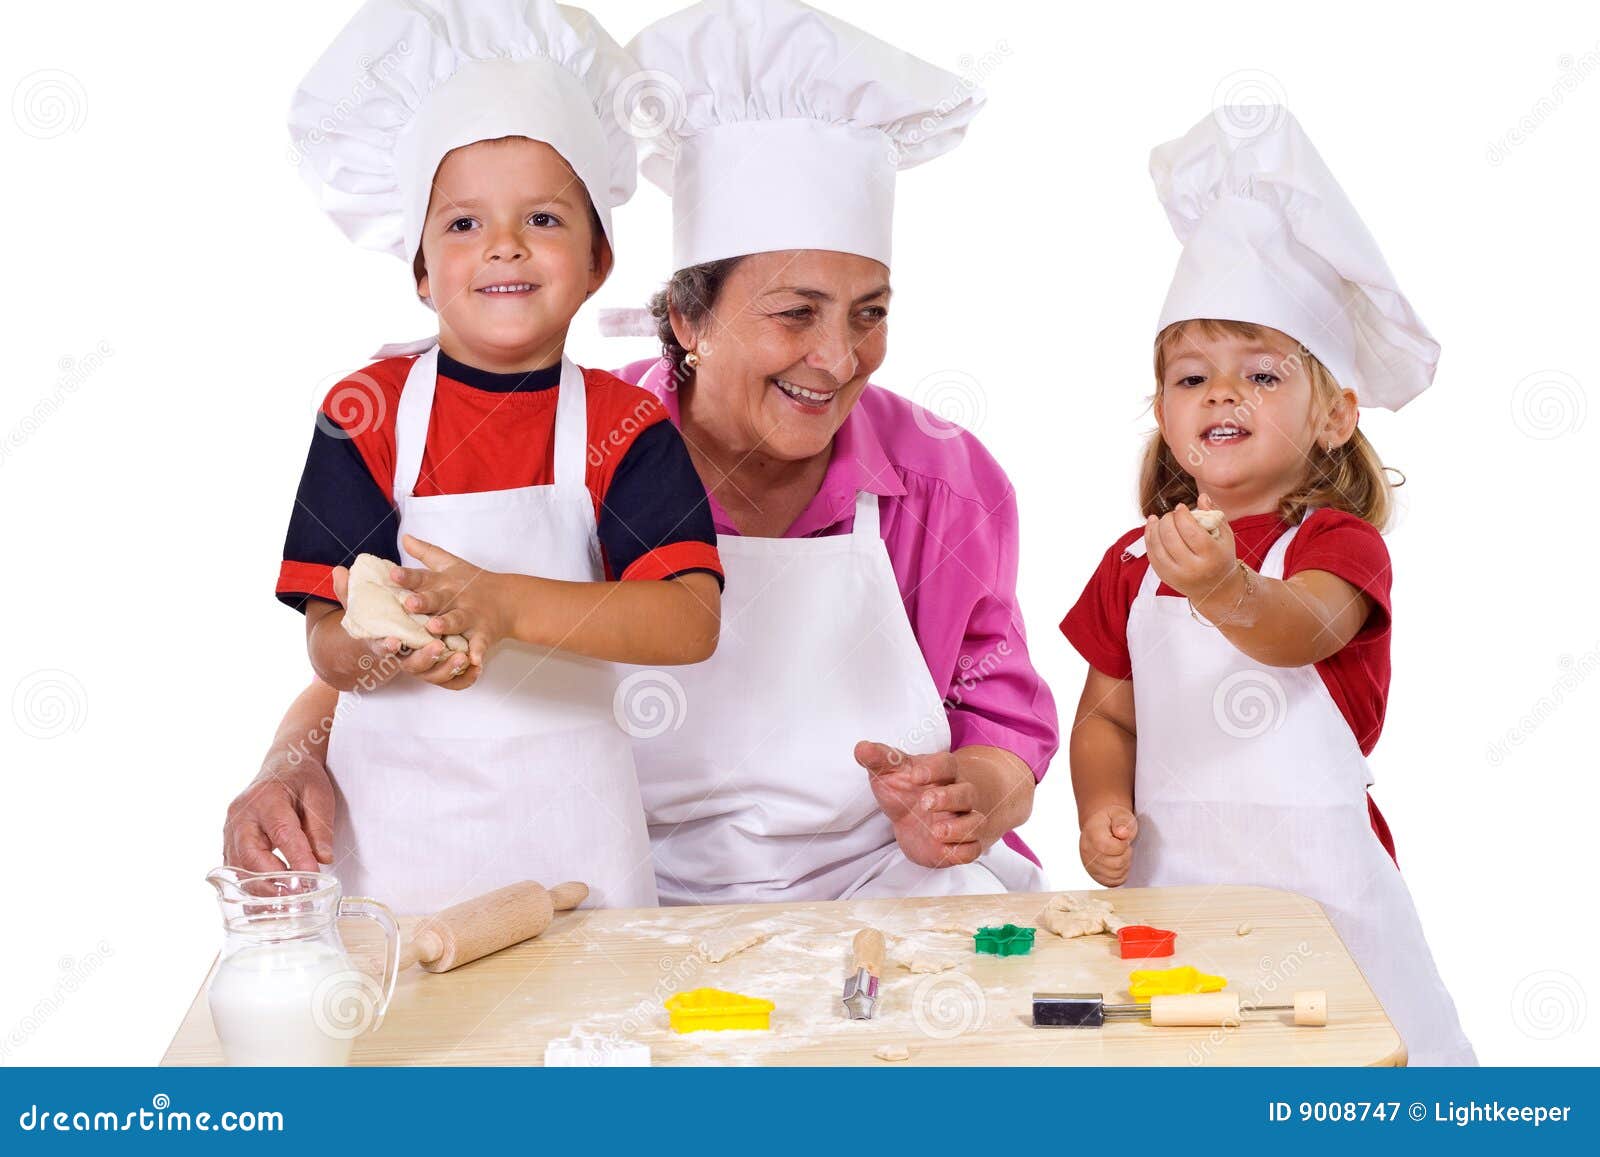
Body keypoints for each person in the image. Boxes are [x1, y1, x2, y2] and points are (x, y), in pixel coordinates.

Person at [228, 0, 1059, 905]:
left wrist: (971, 796)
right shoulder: (576, 436)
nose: (837, 358)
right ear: (686, 318)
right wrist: (289, 760)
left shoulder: (945, 482)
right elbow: (373, 648)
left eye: (871, 313)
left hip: (879, 887)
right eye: (795, 313)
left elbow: (1002, 722)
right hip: (613, 898)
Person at [277, 0, 723, 913]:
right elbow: (326, 639)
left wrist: (506, 603)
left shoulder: (626, 423)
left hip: (577, 851)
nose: (505, 245)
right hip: (400, 858)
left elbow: (690, 621)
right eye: (463, 224)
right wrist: (386, 647)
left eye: (546, 219)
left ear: (599, 259)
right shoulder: (363, 415)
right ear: (420, 268)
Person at [1060, 106, 1475, 1064]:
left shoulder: (1335, 543)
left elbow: (1299, 630)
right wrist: (1097, 806)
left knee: (1360, 1082)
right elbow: (1106, 718)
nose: (1222, 395)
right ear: (1163, 413)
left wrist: (1225, 588)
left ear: (1334, 415)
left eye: (1260, 373)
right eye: (1193, 376)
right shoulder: (1134, 561)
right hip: (1180, 900)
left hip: (1327, 907)